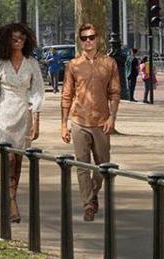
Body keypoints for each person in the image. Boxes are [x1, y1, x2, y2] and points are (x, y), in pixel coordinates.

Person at [61, 23, 121, 222]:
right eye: (84, 38)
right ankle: (87, 204)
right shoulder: (73, 65)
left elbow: (115, 93)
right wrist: (63, 124)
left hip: (101, 121)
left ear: (98, 39)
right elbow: (67, 95)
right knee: (82, 166)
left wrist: (112, 117)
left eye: (91, 37)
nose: (88, 41)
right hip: (79, 120)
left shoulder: (109, 63)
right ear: (80, 41)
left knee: (103, 166)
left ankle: (93, 193)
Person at [0, 23, 45, 224]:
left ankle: (12, 193)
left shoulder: (32, 64)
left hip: (23, 114)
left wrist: (36, 120)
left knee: (18, 161)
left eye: (21, 37)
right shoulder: (0, 65)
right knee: (8, 159)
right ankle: (11, 201)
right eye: (14, 38)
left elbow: (37, 92)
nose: (18, 41)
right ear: (7, 41)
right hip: (4, 113)